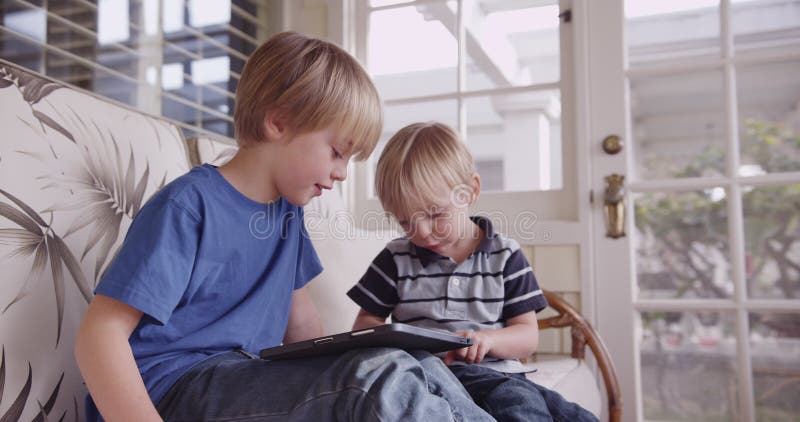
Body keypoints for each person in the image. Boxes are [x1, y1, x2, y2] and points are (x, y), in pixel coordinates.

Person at [75, 32, 494, 422]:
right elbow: (100, 334)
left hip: (245, 377)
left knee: (413, 363)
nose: (342, 173)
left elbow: (303, 326)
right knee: (377, 380)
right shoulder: (189, 207)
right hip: (173, 390)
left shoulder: (287, 216)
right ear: (278, 122)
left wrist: (340, 365)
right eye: (337, 152)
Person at [347, 122, 598, 422]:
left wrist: (488, 340)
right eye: (406, 222)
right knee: (522, 407)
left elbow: (528, 335)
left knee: (573, 415)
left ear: (470, 192)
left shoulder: (506, 256)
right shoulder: (395, 259)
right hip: (431, 379)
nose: (422, 232)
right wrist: (397, 343)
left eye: (435, 214)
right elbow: (366, 323)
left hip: (498, 374)